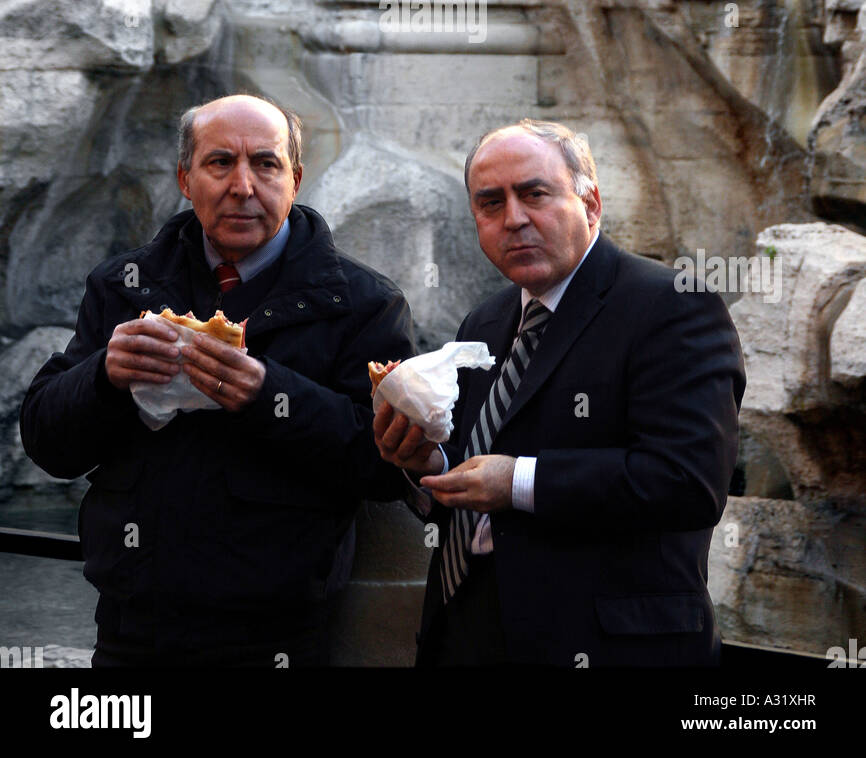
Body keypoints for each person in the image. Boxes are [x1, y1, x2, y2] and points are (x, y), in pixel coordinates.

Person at [20, 93, 414, 667]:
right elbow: (47, 443)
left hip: (276, 635)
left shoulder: (362, 304)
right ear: (185, 178)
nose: (243, 186)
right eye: (220, 162)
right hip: (132, 624)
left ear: (296, 179)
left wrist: (266, 393)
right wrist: (103, 377)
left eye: (266, 163)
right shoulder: (124, 285)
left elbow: (385, 468)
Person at [374, 118, 746, 667]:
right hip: (468, 632)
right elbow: (473, 474)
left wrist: (518, 480)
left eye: (534, 194)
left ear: (590, 202)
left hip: (610, 645)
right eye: (491, 203)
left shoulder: (669, 304)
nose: (515, 219)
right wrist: (423, 464)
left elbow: (689, 482)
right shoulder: (486, 321)